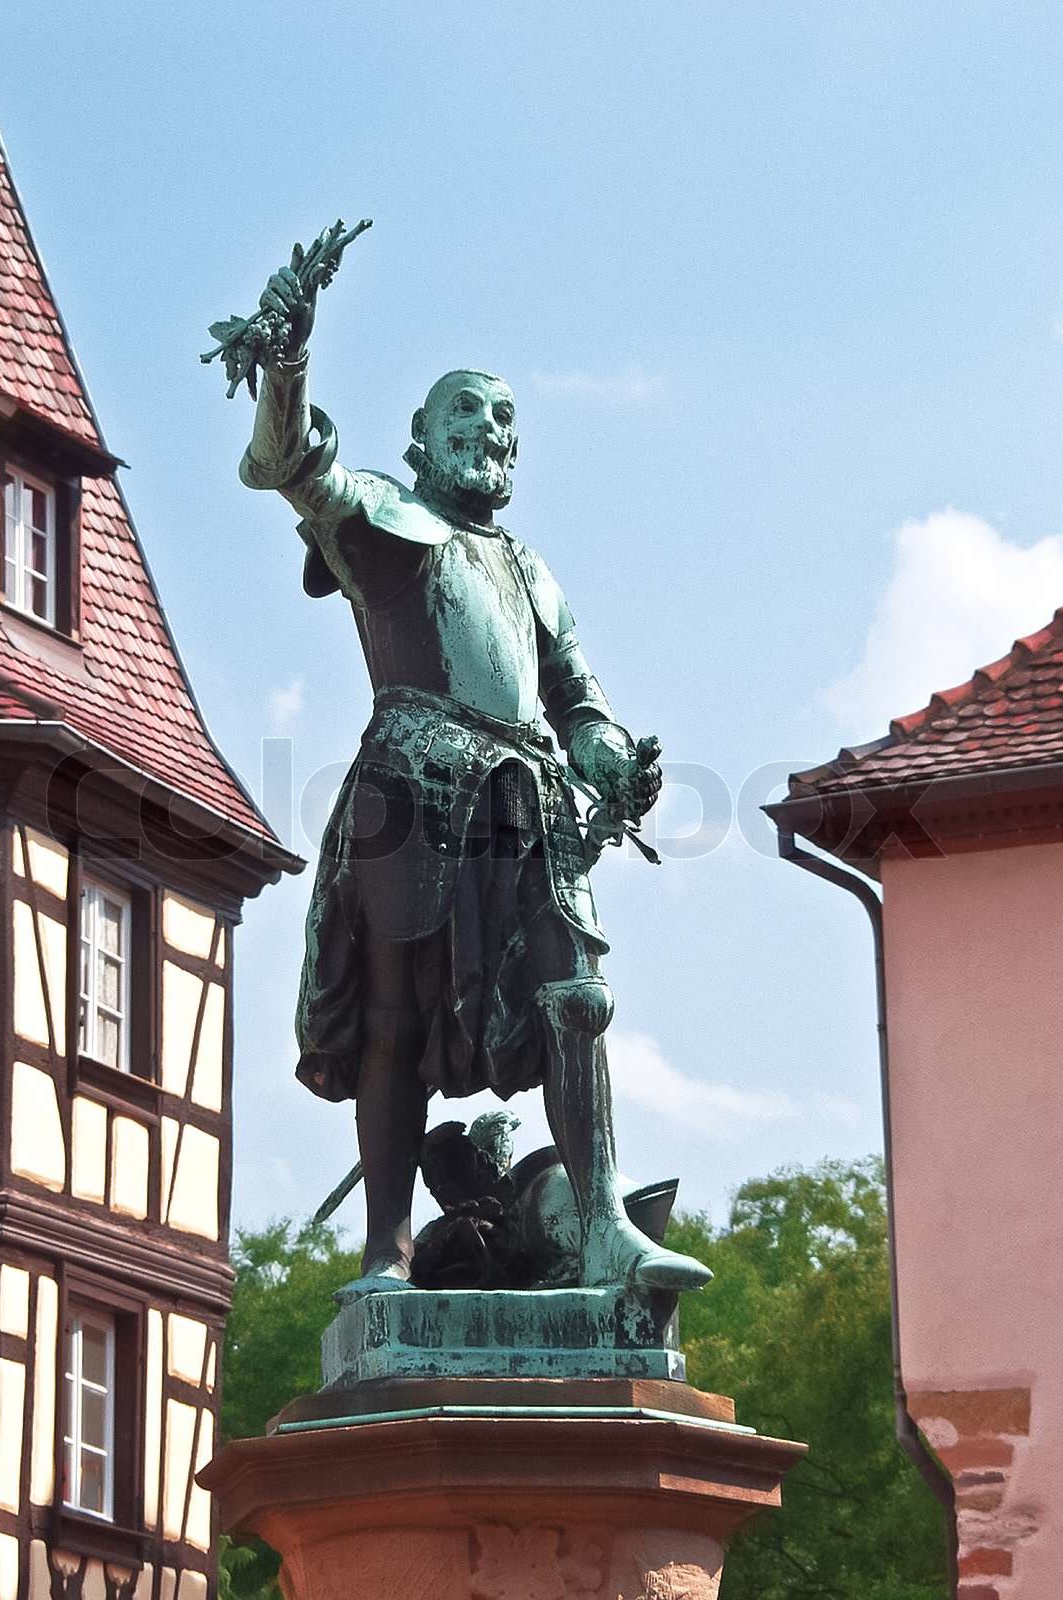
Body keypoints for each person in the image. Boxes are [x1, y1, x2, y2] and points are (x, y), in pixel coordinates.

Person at [240, 260, 710, 1300]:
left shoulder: (532, 571)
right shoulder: (386, 521)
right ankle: (387, 1254)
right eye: (466, 413)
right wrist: (286, 361)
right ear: (419, 436)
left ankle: (602, 1226)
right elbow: (286, 464)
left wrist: (616, 759)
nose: (490, 430)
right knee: (397, 1019)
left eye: (504, 420)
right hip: (412, 782)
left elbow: (578, 706)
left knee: (576, 993)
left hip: (523, 794)